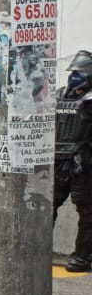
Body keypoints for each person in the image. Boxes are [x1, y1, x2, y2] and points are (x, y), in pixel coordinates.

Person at [53, 50, 92, 272]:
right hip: (58, 159)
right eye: (73, 72)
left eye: (80, 72)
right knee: (47, 206)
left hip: (82, 162)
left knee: (86, 210)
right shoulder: (60, 94)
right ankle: (39, 246)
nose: (75, 76)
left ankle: (82, 255)